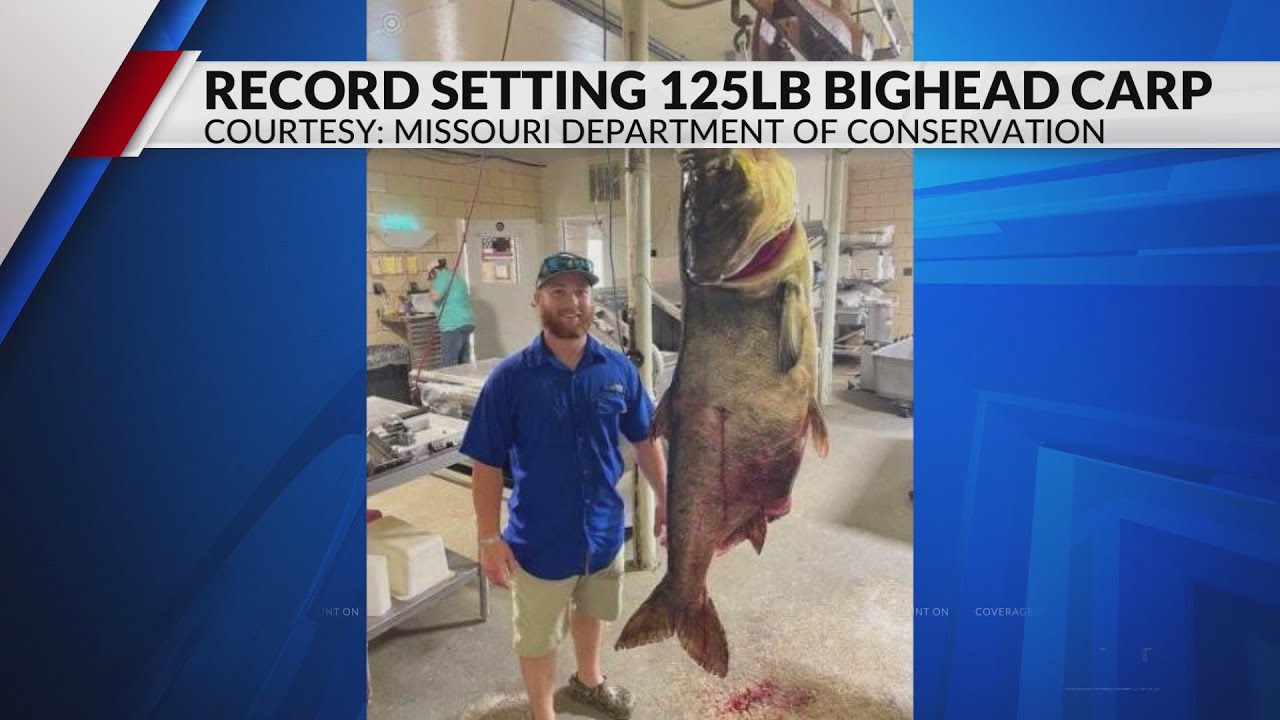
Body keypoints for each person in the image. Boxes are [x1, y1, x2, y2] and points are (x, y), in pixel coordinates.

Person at [459, 252, 667, 720]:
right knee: (537, 634)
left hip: (604, 530)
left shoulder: (618, 370)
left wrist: (667, 501)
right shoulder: (510, 379)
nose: (572, 301)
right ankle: (543, 712)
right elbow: (487, 464)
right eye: (559, 291)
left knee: (592, 609)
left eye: (581, 291)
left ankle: (589, 681)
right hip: (540, 538)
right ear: (538, 300)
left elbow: (646, 440)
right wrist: (489, 538)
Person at [429, 258, 476, 366]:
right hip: (466, 322)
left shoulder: (442, 277)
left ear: (434, 271)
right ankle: (465, 382)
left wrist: (429, 294)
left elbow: (435, 297)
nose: (432, 280)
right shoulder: (457, 277)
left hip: (452, 324)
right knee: (464, 362)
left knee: (449, 364)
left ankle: (449, 383)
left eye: (431, 277)